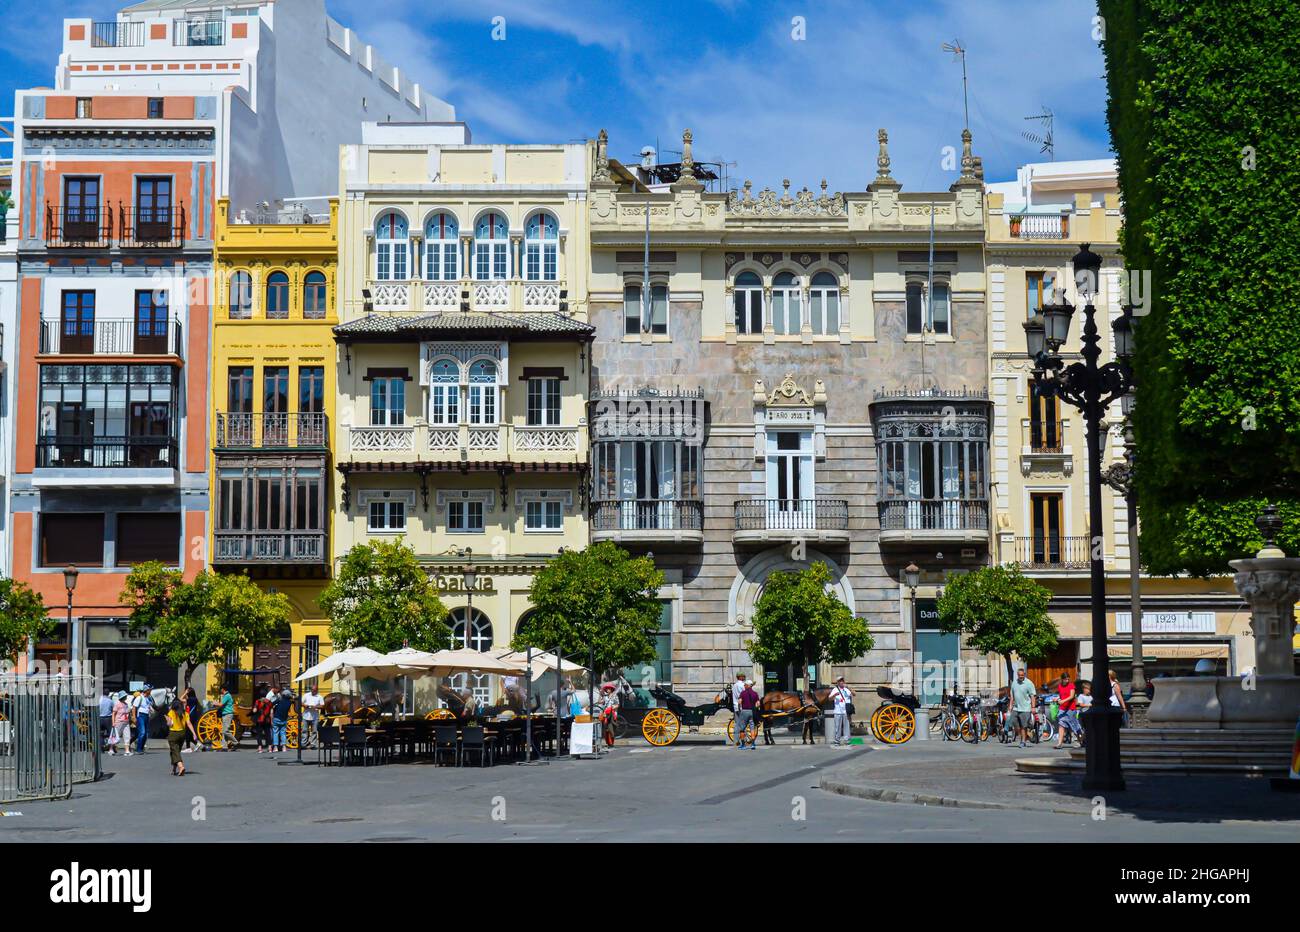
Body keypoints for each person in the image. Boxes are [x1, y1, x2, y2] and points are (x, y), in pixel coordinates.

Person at [166, 698, 197, 775]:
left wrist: (167, 719)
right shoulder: (185, 713)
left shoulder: (171, 712)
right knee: (175, 751)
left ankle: (181, 766)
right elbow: (189, 723)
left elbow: (169, 724)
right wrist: (194, 733)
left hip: (173, 733)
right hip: (182, 734)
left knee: (175, 751)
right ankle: (174, 769)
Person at [1009, 667, 1037, 748]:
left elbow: (1032, 696)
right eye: (1019, 675)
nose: (1021, 676)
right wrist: (1010, 705)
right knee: (1014, 722)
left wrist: (1033, 707)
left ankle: (1023, 741)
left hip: (1025, 708)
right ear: (1017, 675)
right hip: (1016, 708)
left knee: (1023, 726)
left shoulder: (1029, 683)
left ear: (1024, 674)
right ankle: (1026, 736)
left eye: (1022, 675)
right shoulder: (1014, 683)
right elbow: (1012, 696)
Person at [1054, 671, 1080, 749]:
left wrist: (1063, 701)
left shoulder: (1071, 686)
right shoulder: (1059, 686)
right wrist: (1057, 699)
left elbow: (1072, 696)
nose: (1067, 681)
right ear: (1062, 679)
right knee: (1061, 725)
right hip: (1062, 709)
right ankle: (1059, 743)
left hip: (1070, 709)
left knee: (1074, 726)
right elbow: (1061, 696)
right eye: (1065, 679)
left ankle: (1081, 741)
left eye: (1068, 679)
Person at [829, 676, 853, 746]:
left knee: (846, 727)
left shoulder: (846, 689)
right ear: (838, 683)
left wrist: (850, 689)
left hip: (846, 711)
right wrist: (834, 695)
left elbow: (854, 694)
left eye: (842, 681)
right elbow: (829, 699)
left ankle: (847, 741)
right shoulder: (835, 690)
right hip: (838, 711)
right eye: (840, 681)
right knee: (837, 727)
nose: (841, 682)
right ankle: (837, 741)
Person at [737, 679, 760, 749]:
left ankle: (743, 745)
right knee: (752, 728)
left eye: (745, 685)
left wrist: (739, 709)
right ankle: (753, 744)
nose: (744, 686)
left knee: (742, 729)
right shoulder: (755, 693)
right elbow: (758, 704)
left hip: (744, 711)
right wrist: (755, 709)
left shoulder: (743, 693)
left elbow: (739, 702)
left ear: (747, 685)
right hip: (752, 712)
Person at [131, 685, 155, 754]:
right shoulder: (139, 697)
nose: (151, 691)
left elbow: (148, 706)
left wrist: (151, 709)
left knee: (146, 734)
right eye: (150, 690)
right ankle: (138, 749)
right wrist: (134, 717)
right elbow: (134, 708)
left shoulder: (148, 698)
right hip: (140, 716)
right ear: (146, 690)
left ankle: (141, 749)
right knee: (142, 732)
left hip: (146, 716)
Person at [271, 687, 294, 753]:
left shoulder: (279, 700)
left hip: (276, 717)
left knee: (275, 732)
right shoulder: (289, 702)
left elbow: (272, 703)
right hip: (284, 718)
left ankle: (275, 747)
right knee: (283, 733)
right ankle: (284, 746)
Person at [109, 691, 132, 756]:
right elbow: (113, 714)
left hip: (126, 722)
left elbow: (127, 712)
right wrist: (113, 723)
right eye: (125, 696)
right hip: (118, 722)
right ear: (123, 697)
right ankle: (111, 749)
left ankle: (127, 751)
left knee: (127, 736)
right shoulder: (117, 704)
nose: (126, 697)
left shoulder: (126, 704)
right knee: (115, 736)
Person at [252, 687, 274, 754]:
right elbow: (271, 712)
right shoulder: (269, 702)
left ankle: (260, 748)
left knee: (259, 734)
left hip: (260, 720)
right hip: (267, 720)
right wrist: (272, 720)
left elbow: (254, 710)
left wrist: (254, 710)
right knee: (268, 734)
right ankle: (270, 748)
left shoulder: (258, 701)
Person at [218, 685, 238, 751]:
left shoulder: (227, 696)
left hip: (227, 714)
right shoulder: (226, 696)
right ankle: (224, 747)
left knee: (225, 731)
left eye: (220, 689)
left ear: (223, 689)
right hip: (225, 714)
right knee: (224, 731)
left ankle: (235, 742)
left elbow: (221, 704)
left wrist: (215, 703)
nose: (220, 690)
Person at [180, 687, 200, 753]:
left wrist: (185, 693)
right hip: (194, 716)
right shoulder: (195, 699)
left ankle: (189, 747)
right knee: (188, 732)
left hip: (189, 716)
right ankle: (196, 744)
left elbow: (180, 699)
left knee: (187, 733)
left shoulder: (188, 700)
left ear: (189, 693)